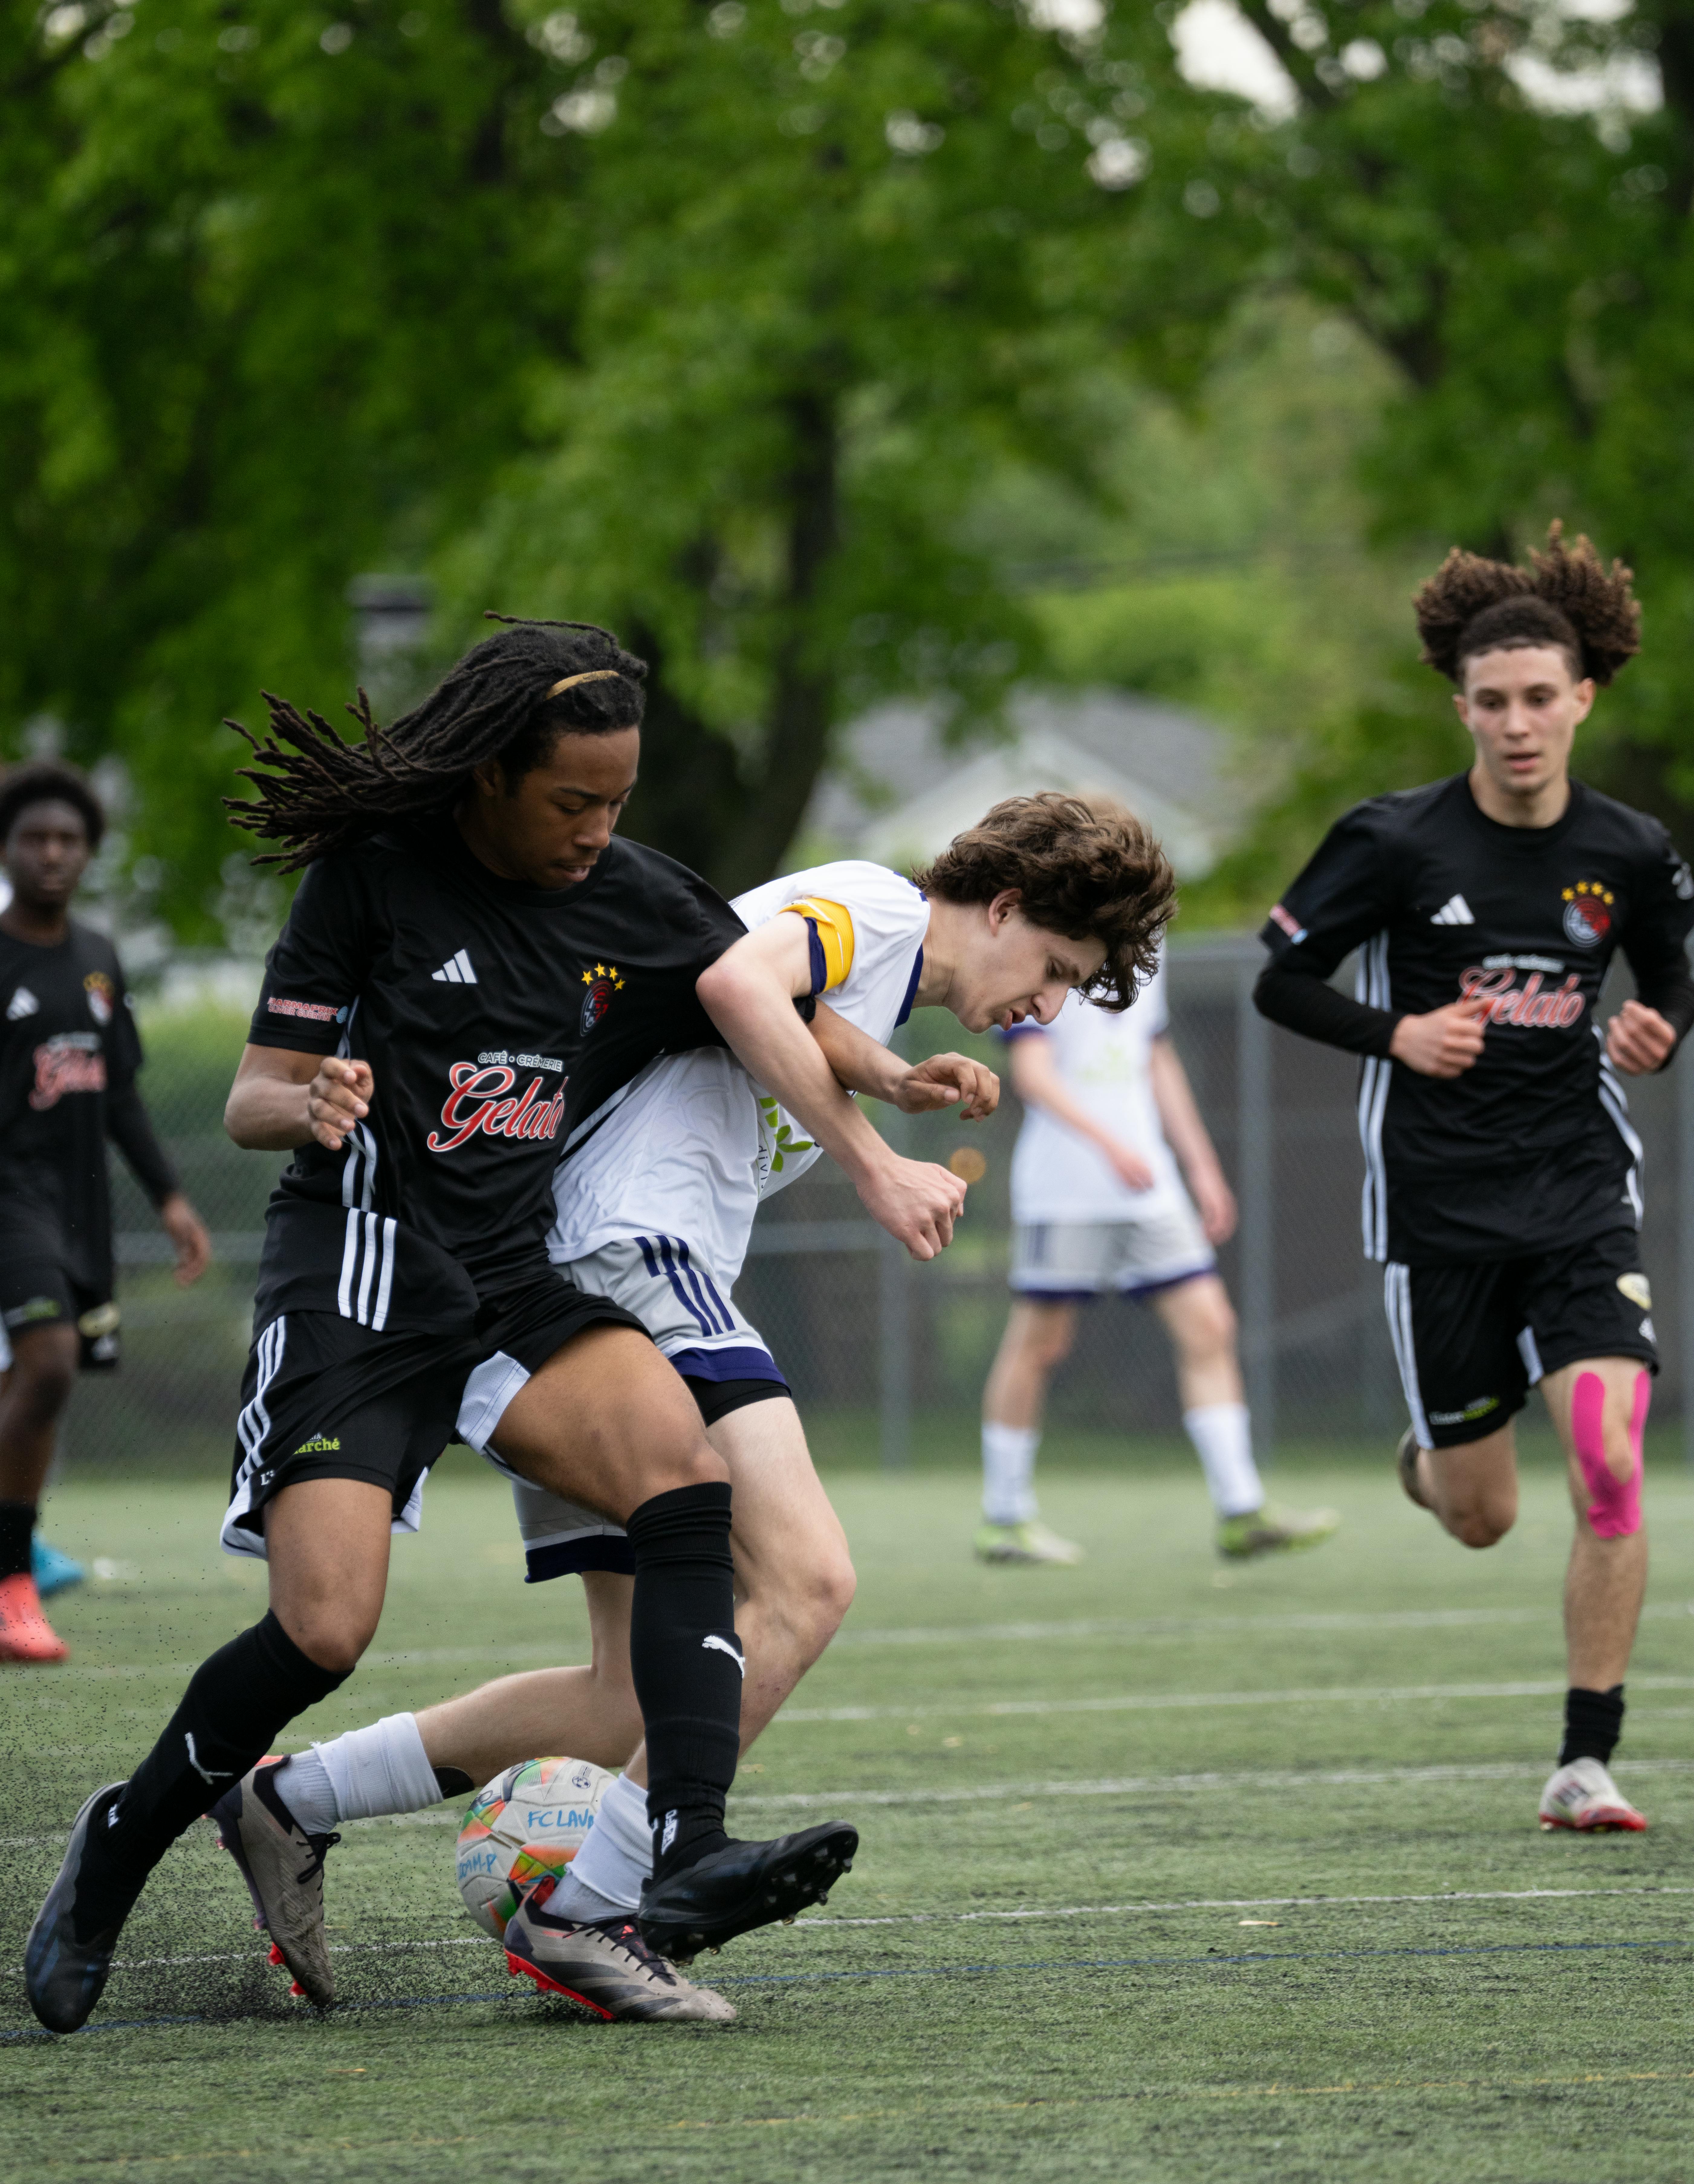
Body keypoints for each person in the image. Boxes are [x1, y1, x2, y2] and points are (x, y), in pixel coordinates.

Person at [25, 620, 964, 2036]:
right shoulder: (376, 880)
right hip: (359, 1282)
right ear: (484, 782)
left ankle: (686, 1850)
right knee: (324, 1630)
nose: (598, 831)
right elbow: (253, 1097)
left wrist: (886, 1083)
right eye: (570, 802)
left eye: (618, 803)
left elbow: (767, 994)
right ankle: (122, 1842)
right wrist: (316, 1099)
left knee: (684, 1478)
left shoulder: (634, 895)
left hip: (511, 1285)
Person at [215, 794, 1176, 2014]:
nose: (1044, 1006)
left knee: (627, 1687)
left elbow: (768, 990)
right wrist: (878, 1163)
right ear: (1001, 906)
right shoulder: (879, 905)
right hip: (629, 1252)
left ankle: (288, 1800)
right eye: (1054, 969)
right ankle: (593, 1906)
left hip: (560, 1293)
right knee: (810, 1579)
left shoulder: (870, 968)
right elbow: (738, 984)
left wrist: (887, 1072)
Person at [1254, 526, 1694, 1834]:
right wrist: (1396, 1031)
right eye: (1492, 702)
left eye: (1540, 700)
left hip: (1575, 1188)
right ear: (1463, 708)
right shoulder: (1391, 842)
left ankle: (1584, 1759)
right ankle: (1436, 1462)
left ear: (1582, 702)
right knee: (1486, 1518)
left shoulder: (1628, 846)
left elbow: (1672, 965)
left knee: (1611, 1462)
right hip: (1438, 1207)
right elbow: (1283, 976)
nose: (1517, 724)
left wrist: (1659, 1022)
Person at [976, 836, 1340, 1564]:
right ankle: (1005, 1515)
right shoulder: (1046, 948)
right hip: (1068, 1191)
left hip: (1151, 1193)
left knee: (1210, 1324)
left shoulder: (1149, 949)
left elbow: (1156, 1057)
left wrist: (1200, 1166)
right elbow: (1036, 1075)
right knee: (1042, 1344)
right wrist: (1108, 1144)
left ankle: (1242, 1509)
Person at [0, 762, 210, 1663]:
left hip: (80, 1207)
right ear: (7, 850)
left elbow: (120, 1095)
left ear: (88, 853)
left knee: (35, 1386)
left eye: (68, 840)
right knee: (45, 1366)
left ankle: (11, 1583)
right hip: (8, 1197)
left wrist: (170, 1198)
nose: (52, 853)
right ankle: (11, 1581)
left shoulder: (97, 957)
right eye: (34, 838)